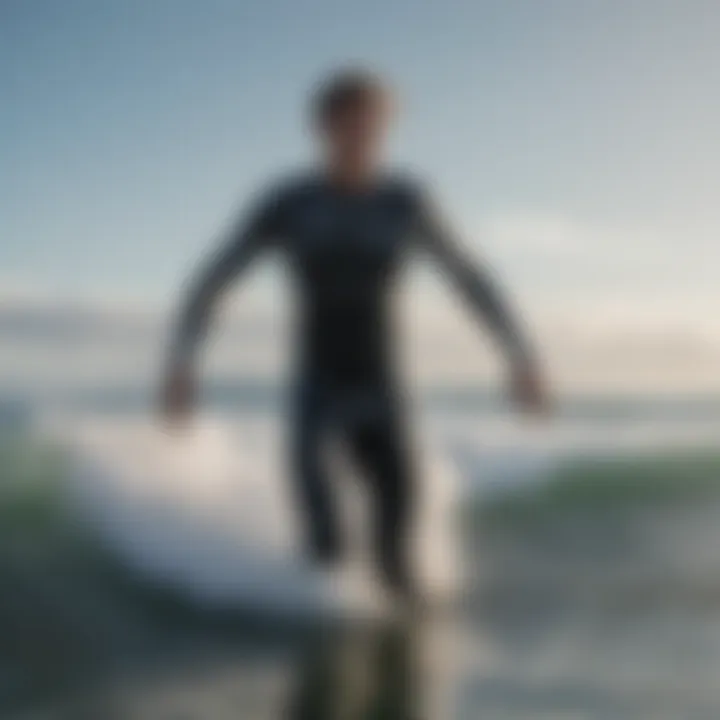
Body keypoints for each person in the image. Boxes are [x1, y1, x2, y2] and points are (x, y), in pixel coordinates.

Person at [160, 68, 548, 602]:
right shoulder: (288, 203)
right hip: (315, 390)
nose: (361, 137)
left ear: (387, 128)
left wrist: (519, 356)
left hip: (383, 390)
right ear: (322, 128)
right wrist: (183, 362)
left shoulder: (406, 201)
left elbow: (469, 277)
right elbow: (216, 278)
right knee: (325, 555)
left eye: (373, 125)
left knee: (398, 563)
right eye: (348, 125)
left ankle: (403, 671)